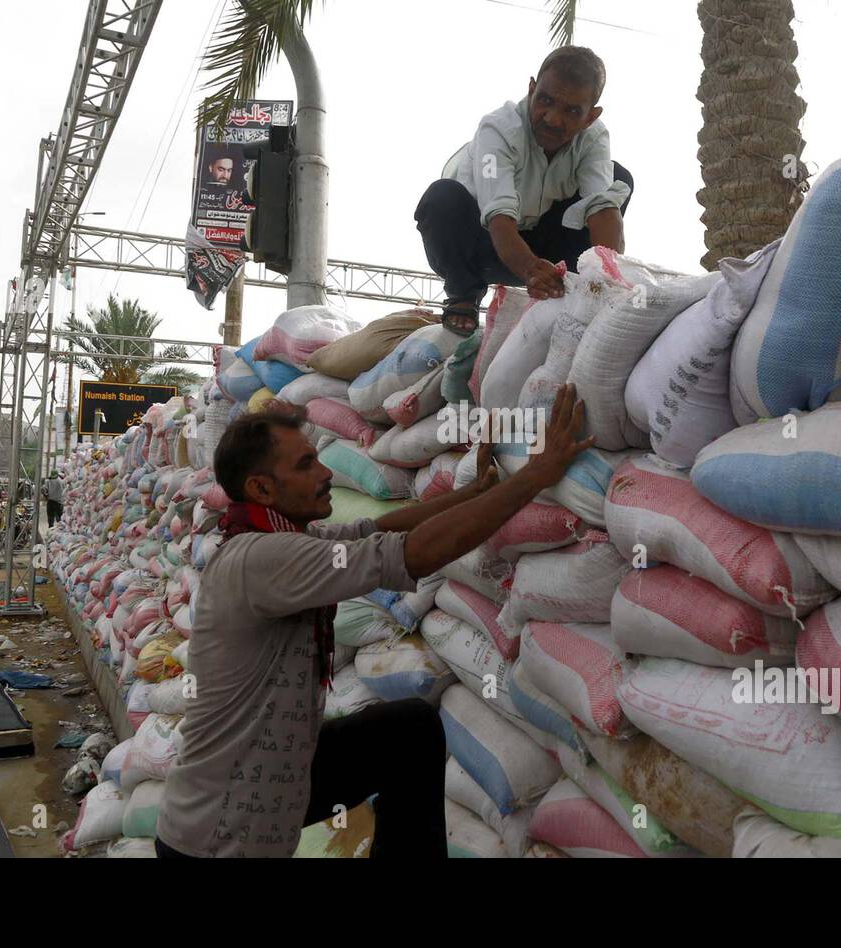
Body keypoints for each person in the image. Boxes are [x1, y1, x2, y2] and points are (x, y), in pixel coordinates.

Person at [155, 386, 594, 858]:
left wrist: (474, 492)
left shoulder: (290, 538)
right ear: (262, 488)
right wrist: (534, 477)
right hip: (219, 834)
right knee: (405, 732)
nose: (325, 472)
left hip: (281, 775)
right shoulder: (264, 558)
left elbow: (382, 529)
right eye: (305, 465)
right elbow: (415, 553)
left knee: (407, 731)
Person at [415, 45, 634, 336]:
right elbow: (499, 217)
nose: (554, 119)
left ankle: (578, 292)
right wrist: (531, 269)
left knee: (618, 179)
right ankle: (463, 294)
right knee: (441, 197)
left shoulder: (593, 139)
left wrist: (608, 281)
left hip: (545, 249)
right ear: (531, 89)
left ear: (591, 117)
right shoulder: (498, 131)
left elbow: (601, 209)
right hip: (486, 244)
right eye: (545, 100)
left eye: (571, 111)